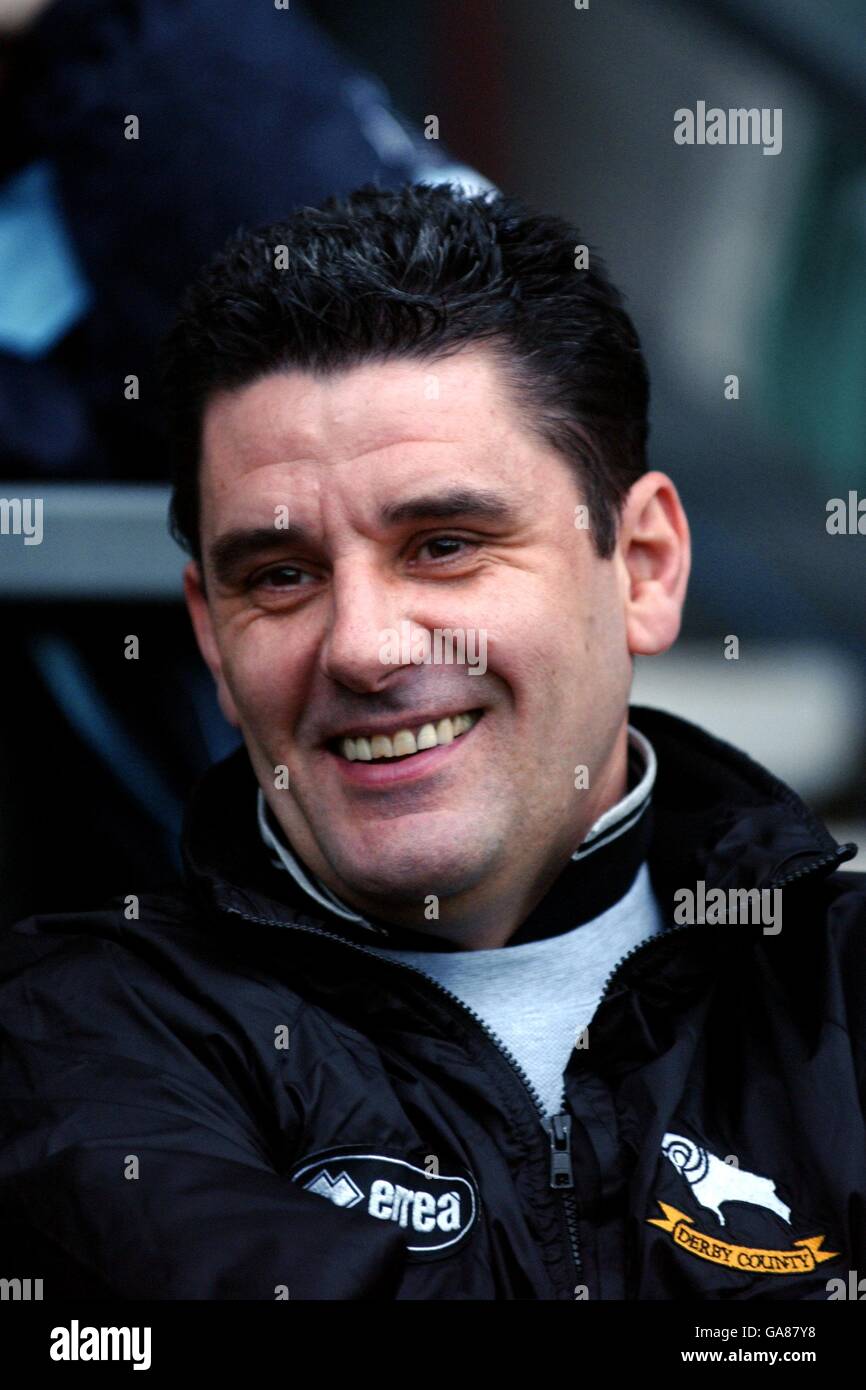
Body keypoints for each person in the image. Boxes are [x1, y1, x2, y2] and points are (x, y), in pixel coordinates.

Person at [0, 182, 863, 1301]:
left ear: (642, 566)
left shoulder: (840, 999)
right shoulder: (80, 1045)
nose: (361, 646)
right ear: (211, 632)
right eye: (280, 575)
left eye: (444, 543)